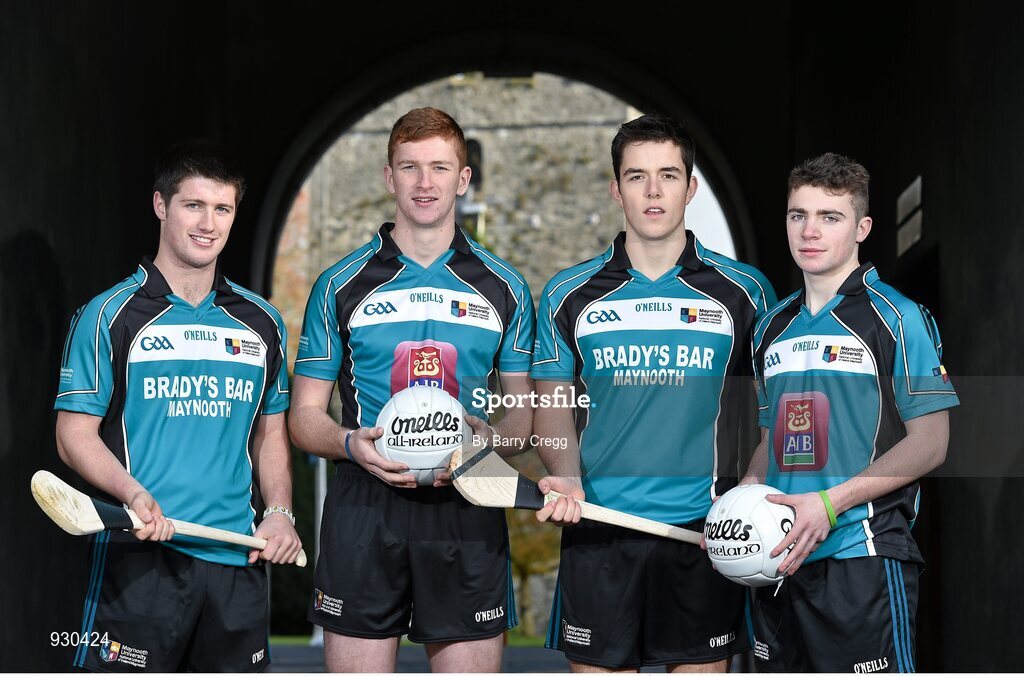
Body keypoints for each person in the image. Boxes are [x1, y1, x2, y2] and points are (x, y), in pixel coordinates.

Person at [289, 106, 536, 673]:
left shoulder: (507, 288)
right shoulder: (339, 285)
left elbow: (523, 416)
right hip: (363, 507)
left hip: (468, 501)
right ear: (388, 176)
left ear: (464, 178)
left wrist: (491, 442)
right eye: (410, 168)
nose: (425, 184)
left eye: (439, 168)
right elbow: (304, 416)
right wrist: (353, 444)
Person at [531, 113, 777, 672]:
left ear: (690, 187)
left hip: (706, 535)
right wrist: (566, 474)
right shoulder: (569, 294)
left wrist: (751, 493)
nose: (653, 191)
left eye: (668, 175)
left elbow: (775, 416)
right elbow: (551, 408)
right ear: (616, 189)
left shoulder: (744, 293)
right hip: (599, 530)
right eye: (636, 176)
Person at [54, 138, 302, 672]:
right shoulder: (108, 315)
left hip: (236, 558)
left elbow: (271, 432)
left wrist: (280, 513)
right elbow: (73, 435)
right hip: (141, 558)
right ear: (161, 206)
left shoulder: (262, 322)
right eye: (193, 205)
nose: (207, 223)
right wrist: (133, 494)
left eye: (222, 208)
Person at [743, 153, 958, 672]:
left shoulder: (899, 318)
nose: (810, 231)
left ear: (862, 227)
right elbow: (771, 433)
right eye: (799, 215)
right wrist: (743, 503)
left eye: (829, 217)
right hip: (777, 560)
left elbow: (931, 441)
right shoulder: (770, 327)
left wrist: (829, 504)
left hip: (861, 553)